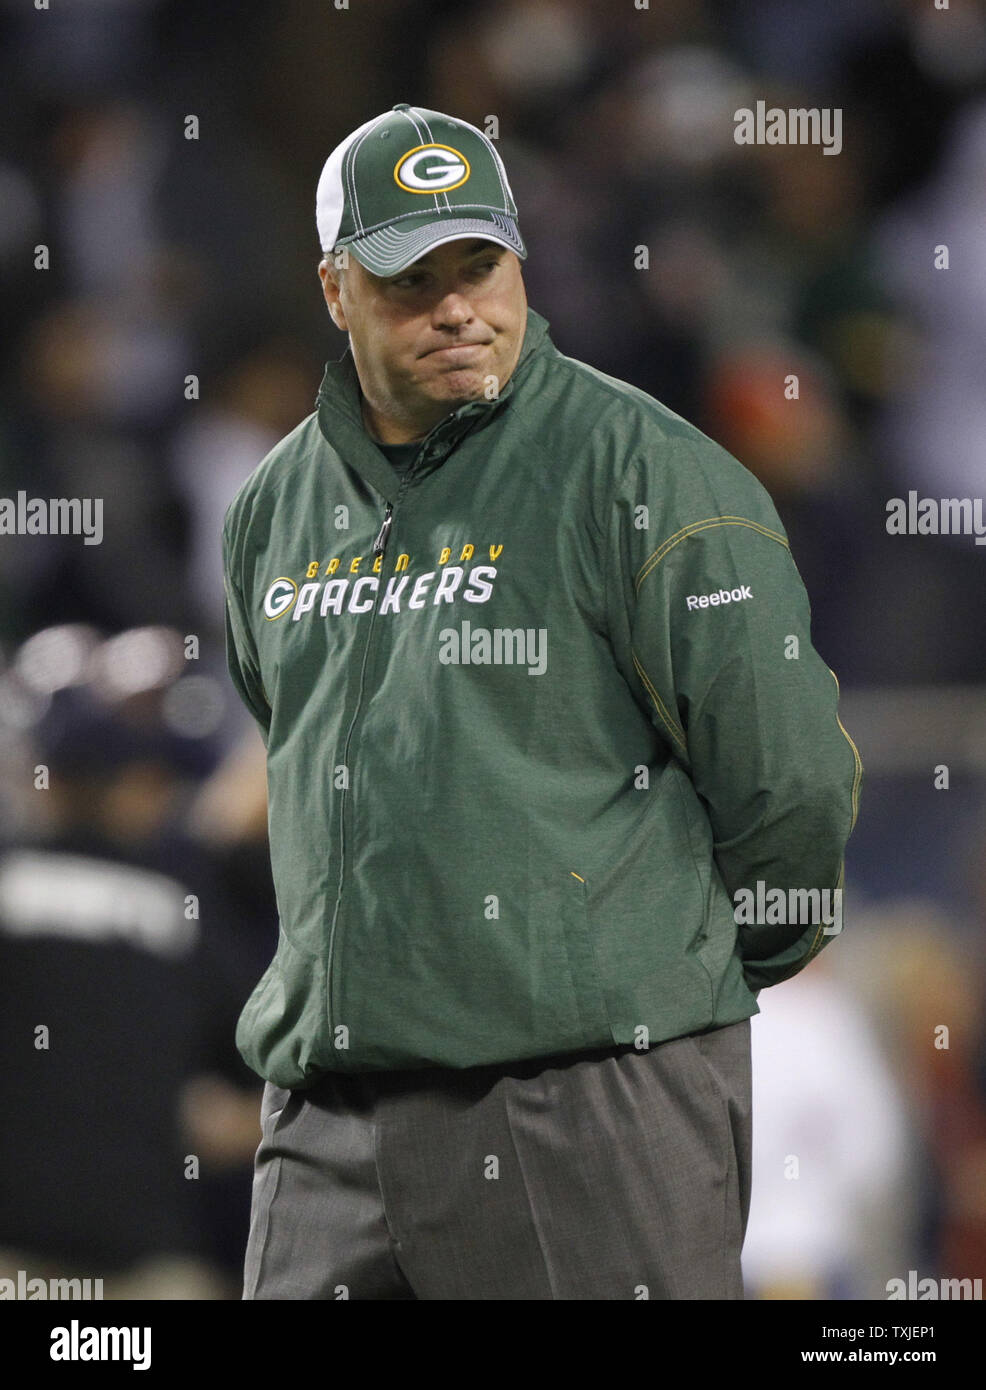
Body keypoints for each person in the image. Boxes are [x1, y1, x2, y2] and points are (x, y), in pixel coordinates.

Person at [222, 104, 863, 1301]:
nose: (458, 306)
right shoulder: (274, 507)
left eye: (481, 265)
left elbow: (788, 779)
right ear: (333, 291)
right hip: (328, 1120)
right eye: (412, 279)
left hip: (584, 1100)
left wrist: (656, 982)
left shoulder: (636, 466)